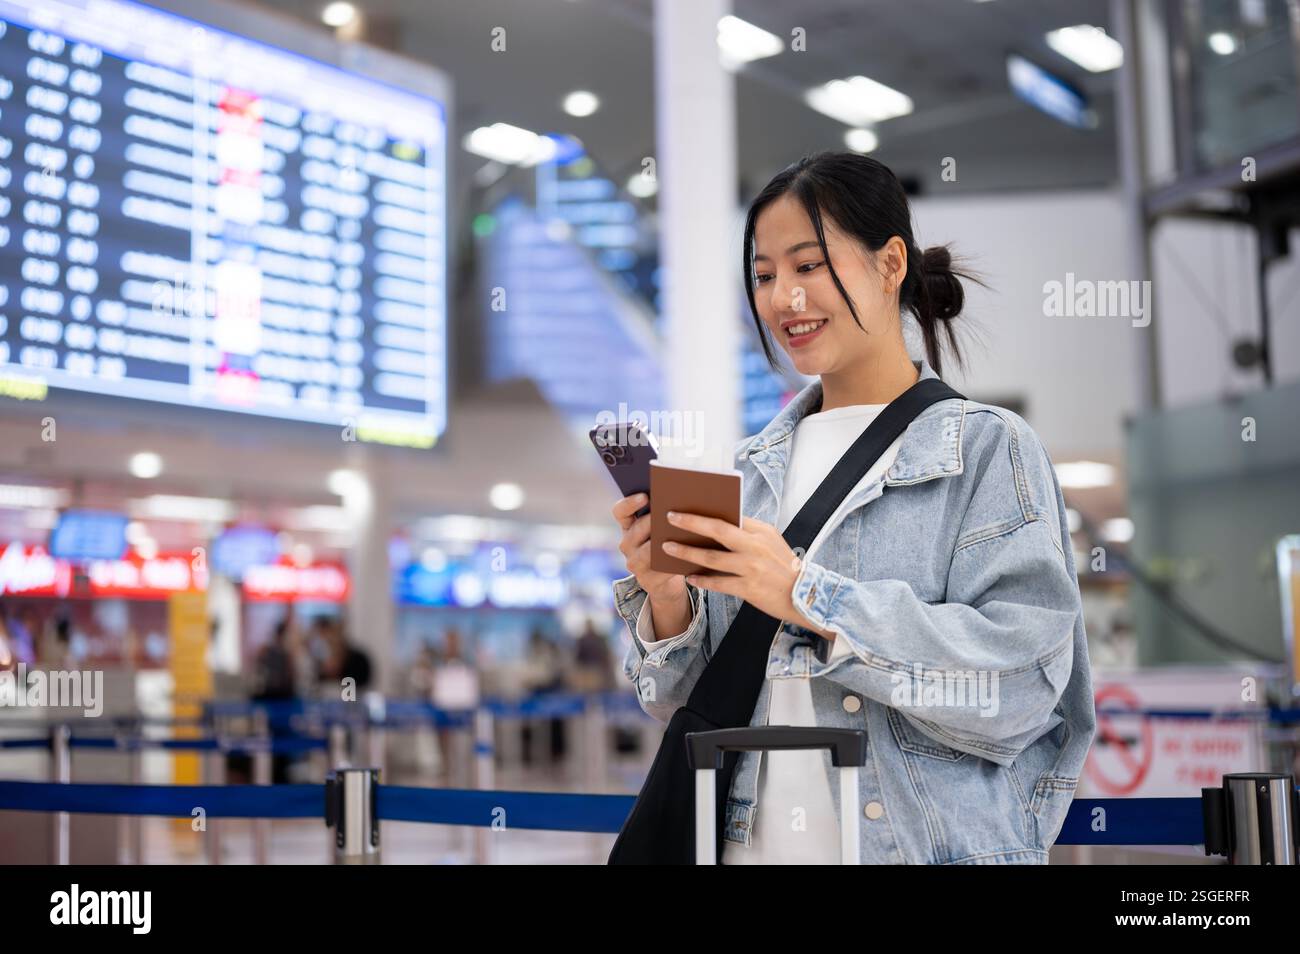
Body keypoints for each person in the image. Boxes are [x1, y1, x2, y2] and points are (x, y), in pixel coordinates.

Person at [610, 151, 1096, 864]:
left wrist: (807, 595)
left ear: (890, 262)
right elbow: (684, 703)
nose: (784, 298)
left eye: (808, 266)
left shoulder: (989, 451)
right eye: (765, 275)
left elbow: (1018, 687)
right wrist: (665, 601)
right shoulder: (748, 474)